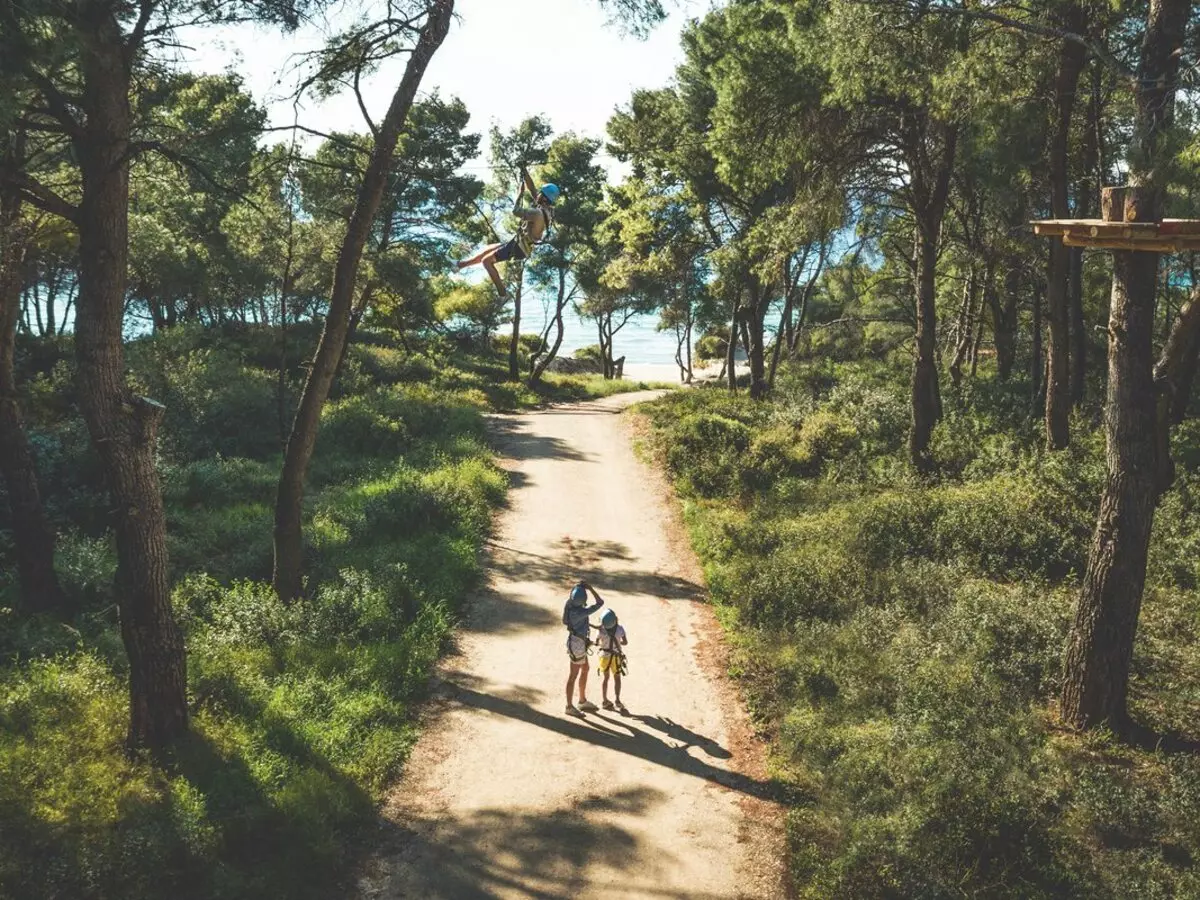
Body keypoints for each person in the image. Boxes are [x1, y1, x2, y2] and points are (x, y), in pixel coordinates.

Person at [456, 166, 559, 299]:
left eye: (541, 194)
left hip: (519, 246)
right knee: (488, 250)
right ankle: (460, 265)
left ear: (544, 198)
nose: (537, 194)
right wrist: (525, 172)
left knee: (487, 262)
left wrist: (519, 194)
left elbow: (516, 211)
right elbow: (533, 189)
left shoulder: (537, 213)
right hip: (521, 244)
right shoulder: (548, 210)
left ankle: (503, 294)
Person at [562, 580, 603, 718]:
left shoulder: (569, 604)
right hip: (578, 645)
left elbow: (564, 621)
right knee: (573, 676)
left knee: (585, 669)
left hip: (576, 641)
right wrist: (590, 588)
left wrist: (578, 587)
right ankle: (569, 706)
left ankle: (582, 700)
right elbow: (600, 602)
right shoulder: (582, 612)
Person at [593, 609, 628, 713]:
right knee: (617, 678)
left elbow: (596, 642)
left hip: (604, 657)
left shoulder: (600, 630)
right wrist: (617, 643)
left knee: (605, 678)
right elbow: (625, 642)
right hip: (616, 657)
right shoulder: (620, 629)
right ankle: (617, 700)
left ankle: (604, 700)